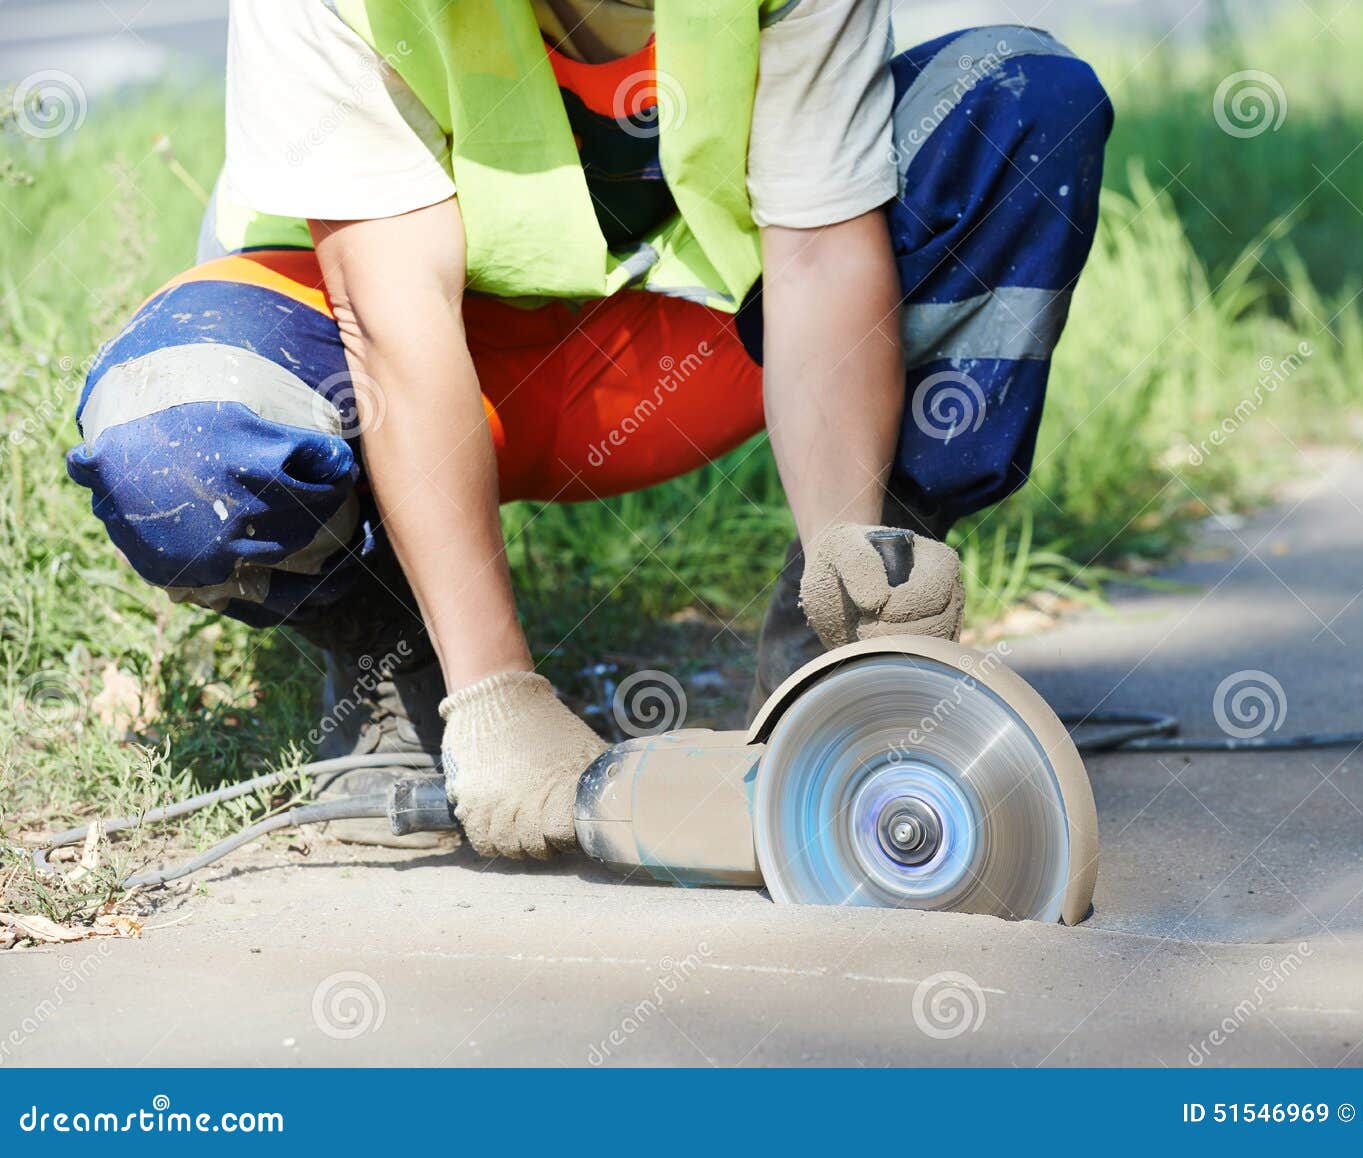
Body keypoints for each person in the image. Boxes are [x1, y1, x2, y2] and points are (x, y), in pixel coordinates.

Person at [65, 0, 1112, 859]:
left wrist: (848, 550)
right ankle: (393, 655)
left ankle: (840, 623)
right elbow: (393, 324)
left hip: (651, 357)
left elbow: (821, 253)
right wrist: (497, 696)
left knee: (1022, 108)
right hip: (364, 368)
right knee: (175, 440)